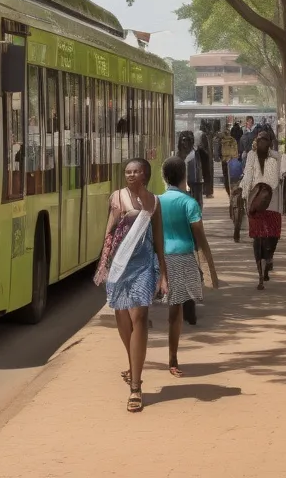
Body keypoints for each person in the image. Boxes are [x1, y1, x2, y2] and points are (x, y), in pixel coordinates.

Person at [94, 158, 168, 413]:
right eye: (127, 172)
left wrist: (164, 274)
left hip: (144, 265)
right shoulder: (117, 198)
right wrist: (104, 264)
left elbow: (159, 239)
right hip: (120, 265)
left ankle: (135, 386)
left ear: (145, 174)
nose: (131, 175)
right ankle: (133, 362)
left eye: (136, 171)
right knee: (123, 318)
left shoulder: (155, 202)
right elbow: (109, 232)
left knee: (140, 314)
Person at [159, 155, 219, 377]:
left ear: (164, 177)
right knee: (177, 311)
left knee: (168, 308)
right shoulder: (189, 203)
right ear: (184, 176)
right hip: (183, 257)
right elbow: (199, 235)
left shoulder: (156, 201)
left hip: (161, 258)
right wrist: (208, 263)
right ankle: (173, 357)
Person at [240, 130, 286, 289]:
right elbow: (247, 177)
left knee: (272, 239)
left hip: (273, 203)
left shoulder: (278, 157)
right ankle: (260, 274)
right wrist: (244, 195)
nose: (262, 143)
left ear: (270, 142)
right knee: (258, 239)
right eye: (259, 140)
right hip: (255, 203)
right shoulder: (251, 157)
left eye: (266, 140)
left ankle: (269, 259)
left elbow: (282, 178)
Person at [218, 126, 239, 195]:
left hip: (224, 161)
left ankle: (229, 193)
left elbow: (218, 152)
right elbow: (236, 151)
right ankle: (233, 194)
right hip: (232, 161)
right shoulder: (233, 140)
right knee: (233, 179)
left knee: (226, 178)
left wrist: (222, 158)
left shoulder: (221, 141)